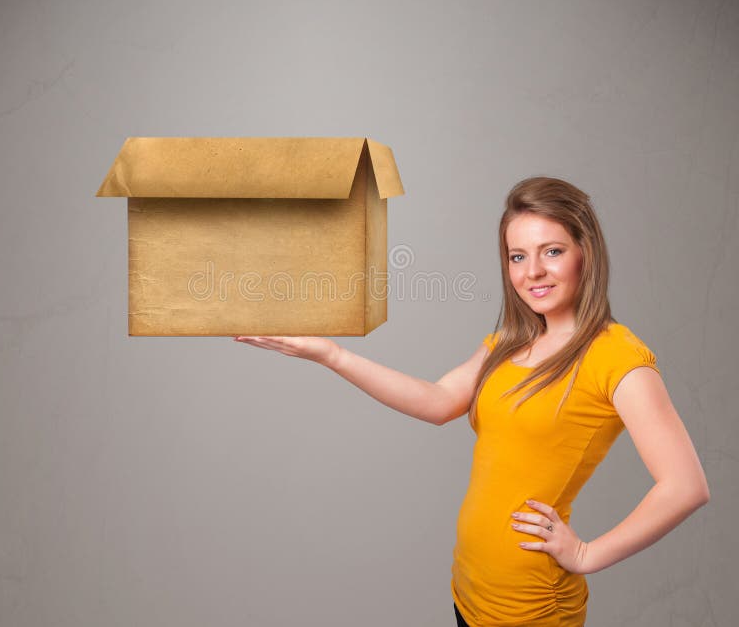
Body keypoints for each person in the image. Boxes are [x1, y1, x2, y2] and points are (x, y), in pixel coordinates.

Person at [234, 176, 710, 626]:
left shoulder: (616, 356)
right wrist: (331, 354)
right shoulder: (512, 340)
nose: (534, 271)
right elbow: (439, 401)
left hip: (531, 606)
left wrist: (587, 554)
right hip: (471, 590)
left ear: (586, 253)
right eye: (517, 256)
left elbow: (686, 486)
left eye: (552, 251)